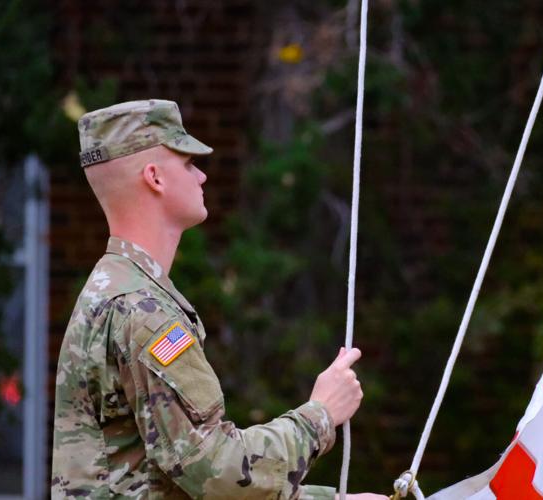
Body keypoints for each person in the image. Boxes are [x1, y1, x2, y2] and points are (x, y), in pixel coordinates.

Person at [51, 99, 386, 499]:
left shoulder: (113, 289)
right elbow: (219, 474)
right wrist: (321, 413)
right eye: (189, 163)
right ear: (154, 177)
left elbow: (162, 477)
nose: (203, 176)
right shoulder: (142, 311)